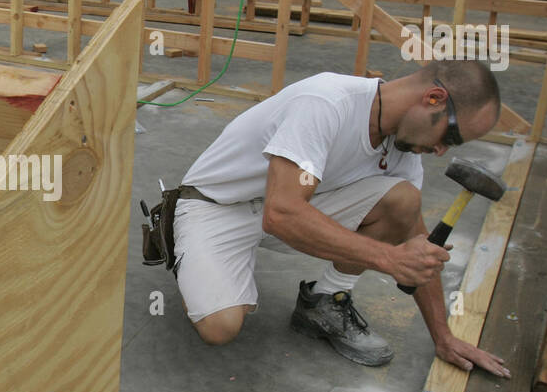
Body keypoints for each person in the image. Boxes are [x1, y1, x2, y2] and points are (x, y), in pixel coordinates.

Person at [170, 60, 511, 375]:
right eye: (450, 137)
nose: (442, 151)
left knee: (404, 200)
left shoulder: (403, 153)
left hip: (289, 208)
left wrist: (443, 336)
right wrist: (388, 259)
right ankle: (186, 251)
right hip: (215, 206)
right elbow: (281, 214)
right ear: (434, 98)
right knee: (221, 326)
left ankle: (325, 303)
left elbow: (415, 241)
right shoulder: (327, 102)